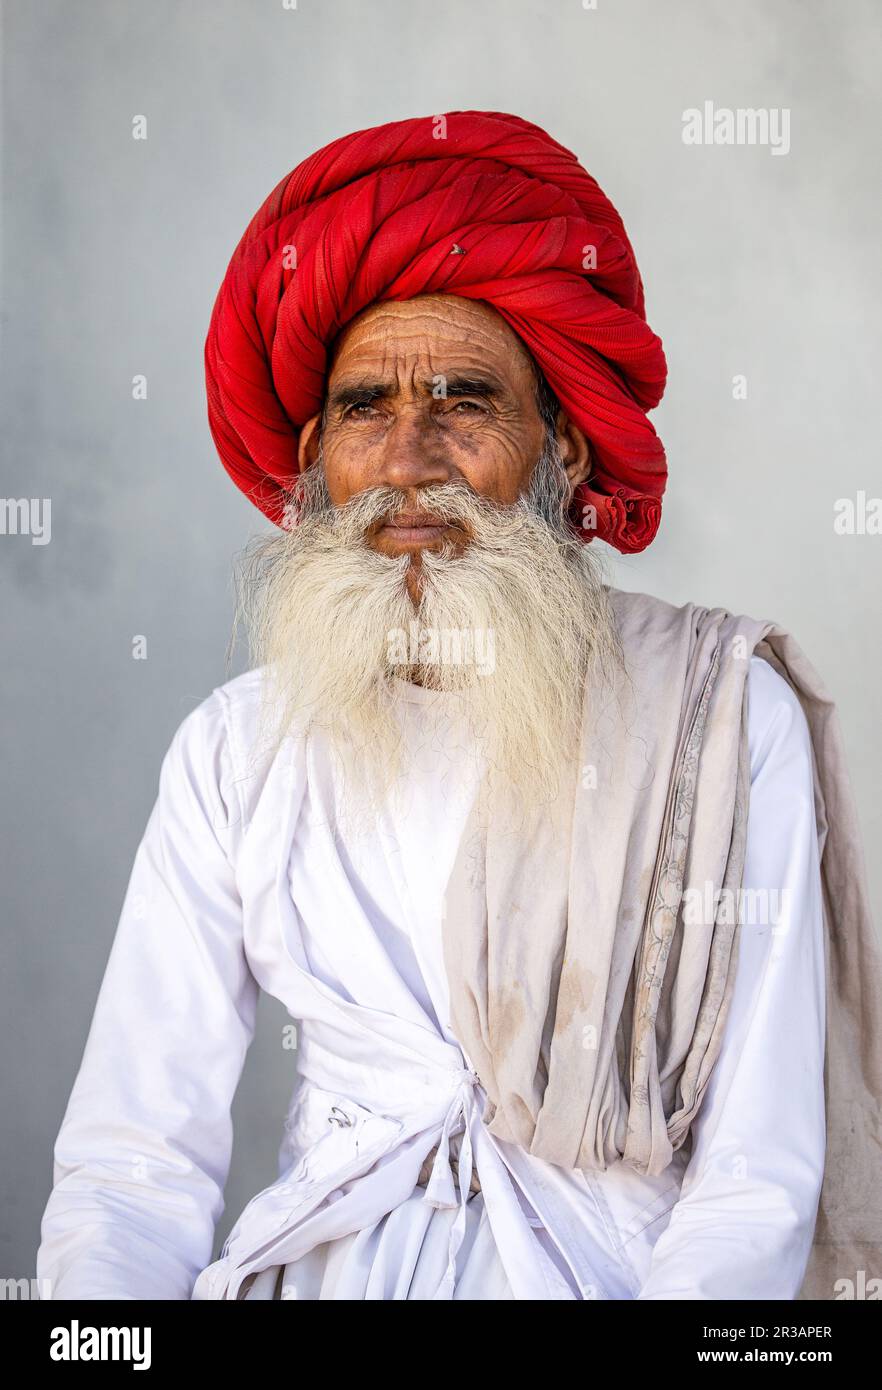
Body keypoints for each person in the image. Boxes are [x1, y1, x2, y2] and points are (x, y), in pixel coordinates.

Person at [36, 111, 881, 1301]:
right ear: (314, 454)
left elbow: (752, 1183)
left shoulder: (722, 720)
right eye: (364, 407)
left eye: (465, 403)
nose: (407, 460)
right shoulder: (236, 748)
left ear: (568, 451)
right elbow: (134, 1168)